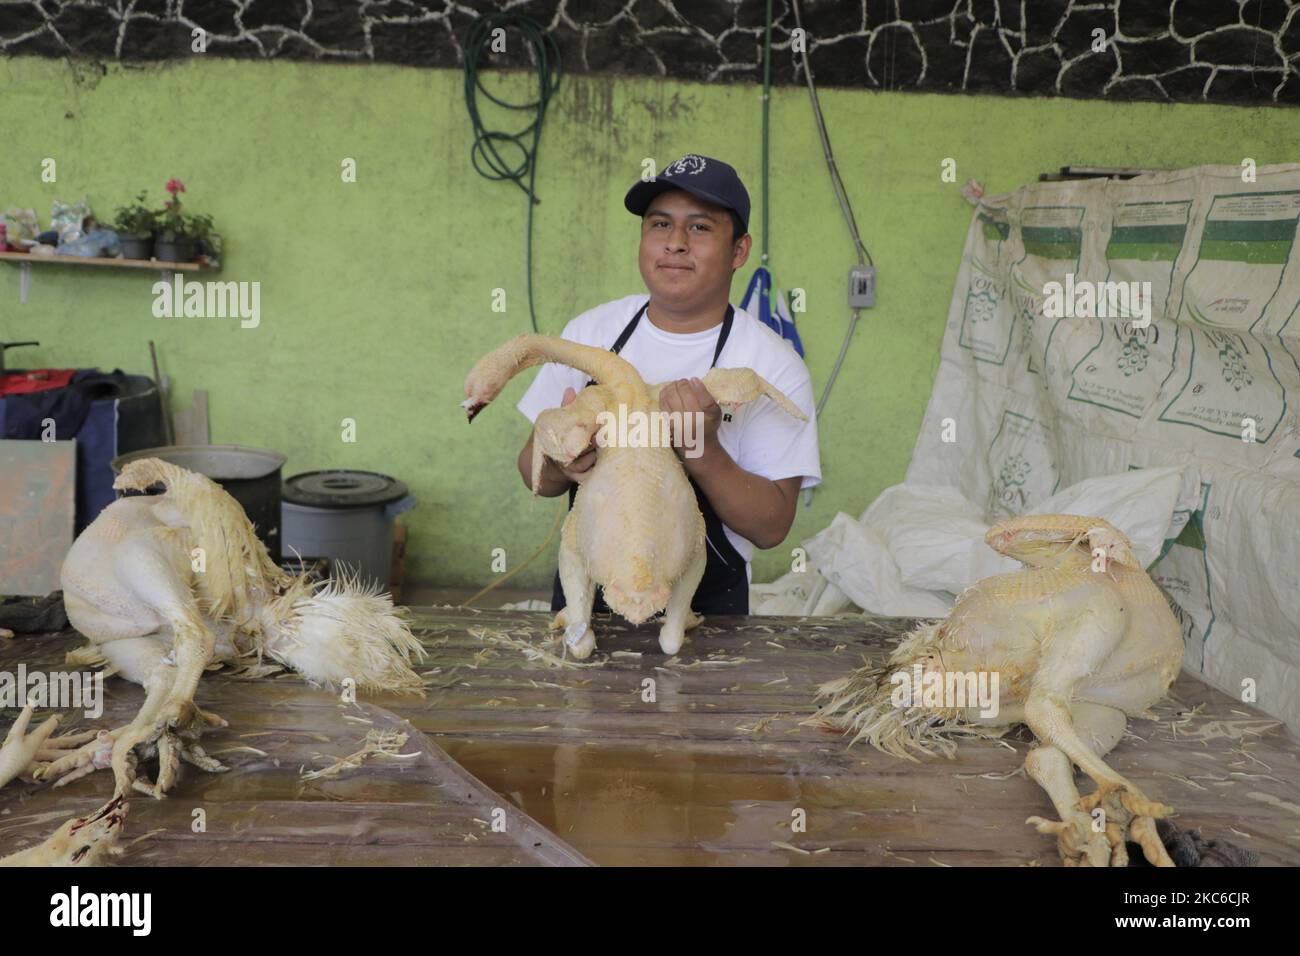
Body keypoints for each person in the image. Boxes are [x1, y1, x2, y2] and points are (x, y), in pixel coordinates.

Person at [516, 154, 821, 615]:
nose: (675, 243)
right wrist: (563, 460)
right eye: (660, 225)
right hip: (590, 600)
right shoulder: (590, 336)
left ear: (739, 251)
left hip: (707, 610)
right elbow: (530, 470)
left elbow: (772, 526)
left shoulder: (770, 367)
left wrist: (703, 449)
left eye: (699, 228)